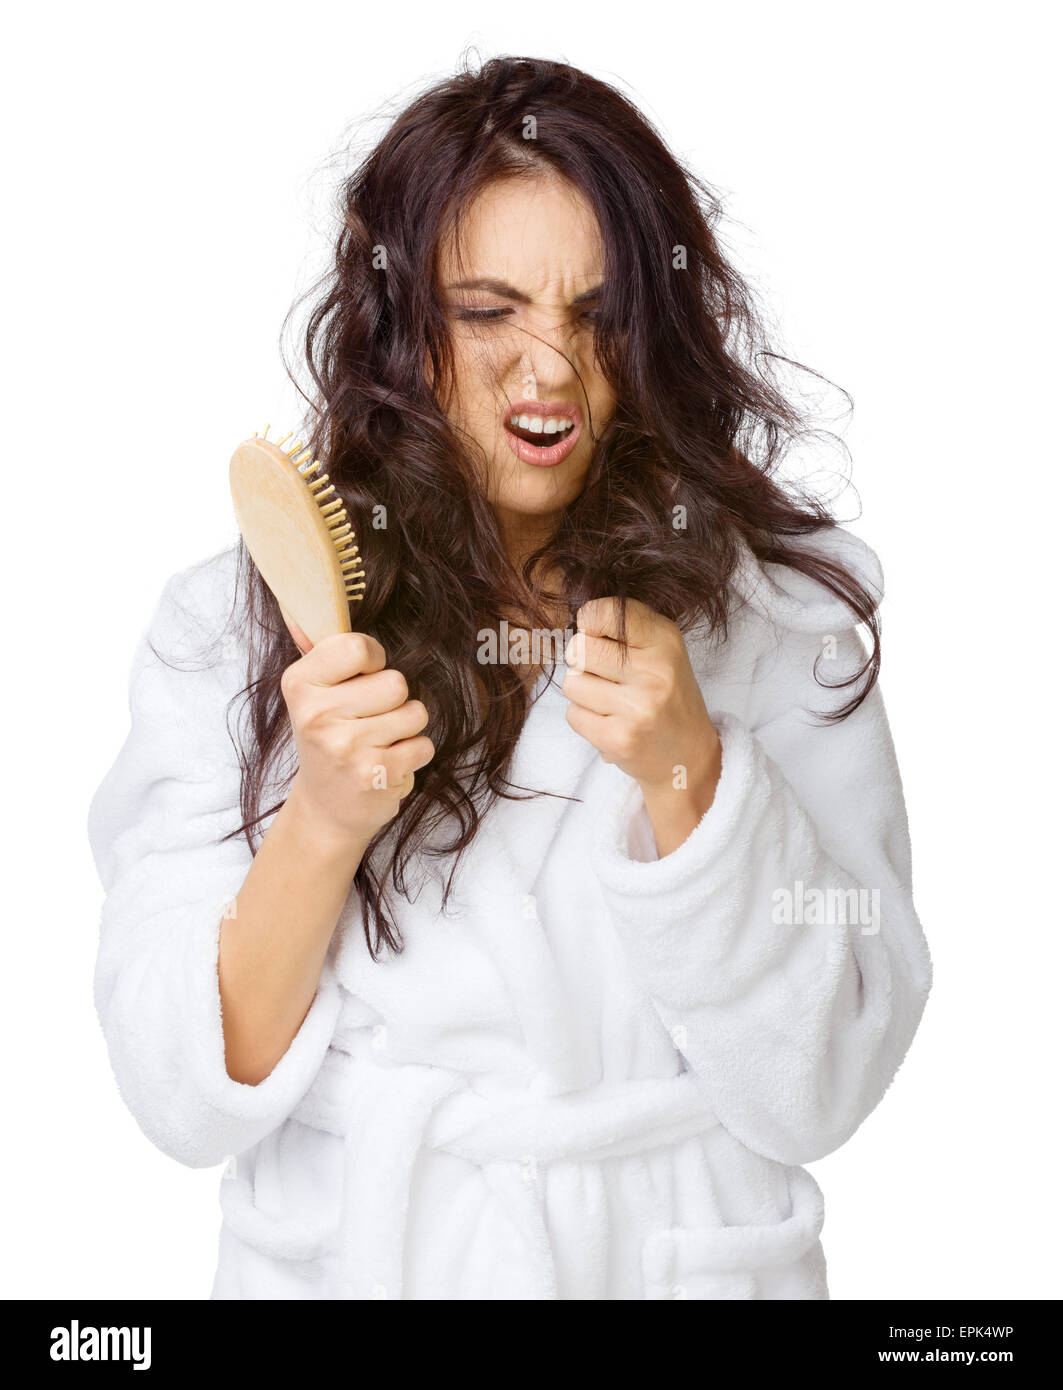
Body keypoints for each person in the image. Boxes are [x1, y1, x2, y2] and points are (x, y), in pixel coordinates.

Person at [88, 54, 932, 1300]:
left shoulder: (772, 622)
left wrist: (695, 783)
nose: (545, 368)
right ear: (401, 329)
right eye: (487, 312)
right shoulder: (228, 631)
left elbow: (826, 1089)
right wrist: (320, 821)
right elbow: (180, 1097)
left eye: (596, 316)